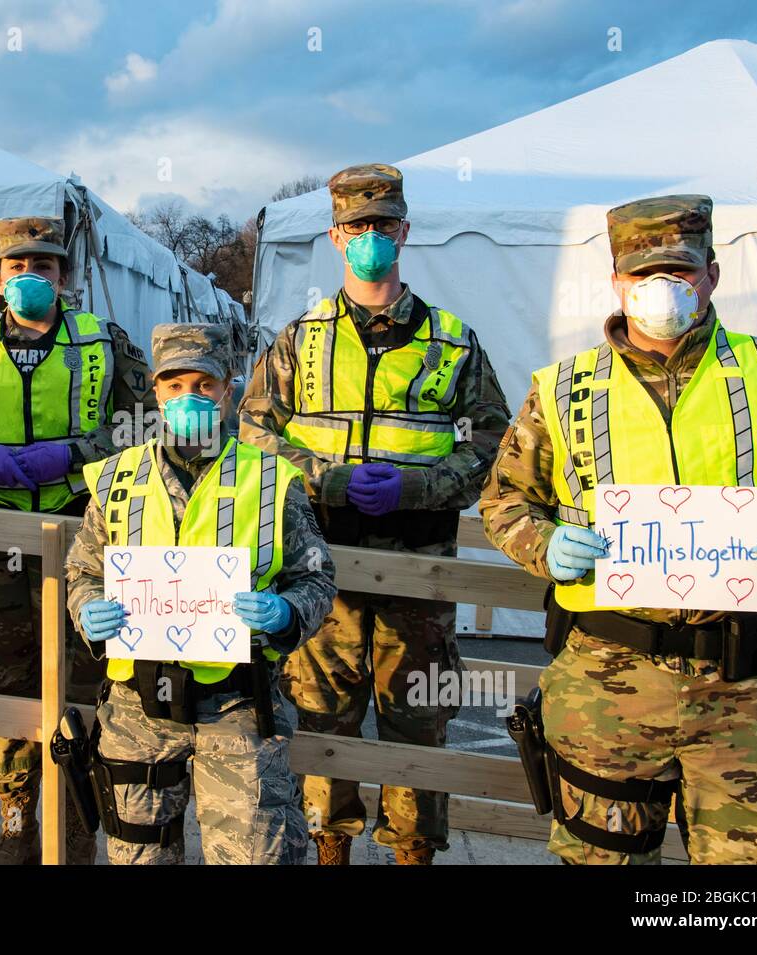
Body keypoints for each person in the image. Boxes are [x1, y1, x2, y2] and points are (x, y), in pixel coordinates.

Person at [480, 194, 757, 864]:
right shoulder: (562, 389)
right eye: (642, 274)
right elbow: (502, 500)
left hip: (747, 691)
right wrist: (544, 546)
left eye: (680, 271)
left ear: (712, 275)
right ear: (616, 282)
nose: (661, 288)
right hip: (607, 686)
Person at [239, 163, 511, 864]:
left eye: (383, 225)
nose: (371, 237)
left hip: (419, 575)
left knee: (417, 723)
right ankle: (329, 848)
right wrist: (325, 479)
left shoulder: (452, 339)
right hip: (321, 567)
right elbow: (255, 433)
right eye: (358, 226)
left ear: (405, 232)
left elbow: (494, 443)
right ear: (335, 236)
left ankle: (414, 852)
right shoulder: (302, 339)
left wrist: (417, 488)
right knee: (322, 720)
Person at [0, 215, 153, 864]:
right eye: (17, 267)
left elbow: (148, 423)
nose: (30, 277)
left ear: (64, 278)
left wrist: (75, 453)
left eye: (43, 266)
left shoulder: (106, 344)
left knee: (86, 697)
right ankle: (16, 824)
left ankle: (76, 833)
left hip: (84, 543)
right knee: (8, 694)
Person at [66, 322, 337, 864]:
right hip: (137, 709)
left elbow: (317, 578)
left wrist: (286, 613)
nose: (188, 396)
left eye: (204, 385)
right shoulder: (117, 478)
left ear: (227, 391)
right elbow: (83, 569)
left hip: (238, 707)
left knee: (254, 855)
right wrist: (85, 609)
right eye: (174, 384)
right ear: (156, 392)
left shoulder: (271, 479)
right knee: (139, 856)